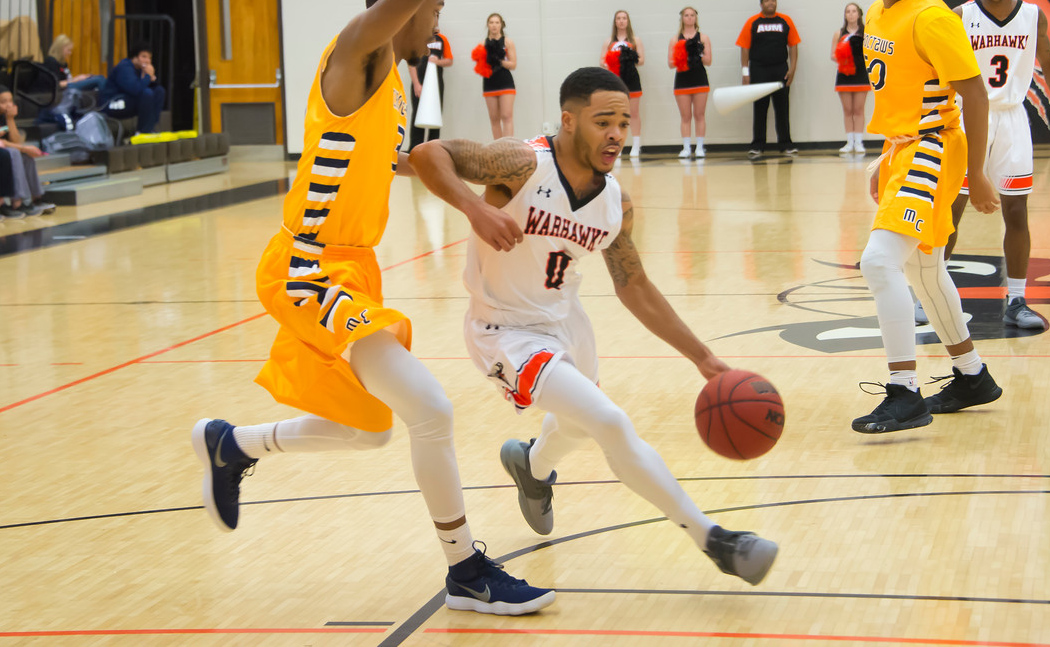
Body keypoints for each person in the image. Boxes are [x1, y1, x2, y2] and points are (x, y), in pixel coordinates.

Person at [190, 0, 554, 616]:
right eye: (432, 10)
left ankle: (234, 444)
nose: (436, 25)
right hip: (309, 267)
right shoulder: (357, 51)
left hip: (352, 268)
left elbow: (405, 164)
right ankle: (465, 569)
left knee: (370, 429)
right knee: (430, 409)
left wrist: (489, 178)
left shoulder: (392, 91)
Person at [409, 67, 780, 587]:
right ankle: (715, 540)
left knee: (581, 424)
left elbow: (634, 285)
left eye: (624, 123)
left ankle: (532, 468)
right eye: (603, 121)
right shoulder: (521, 162)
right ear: (568, 121)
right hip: (504, 330)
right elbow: (429, 155)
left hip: (566, 323)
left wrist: (702, 357)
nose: (616, 134)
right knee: (609, 422)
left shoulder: (614, 204)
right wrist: (475, 209)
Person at [852, 0, 1003, 434]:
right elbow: (902, 94)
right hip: (905, 146)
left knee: (879, 261)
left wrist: (977, 173)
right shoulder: (878, 14)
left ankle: (904, 391)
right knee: (924, 270)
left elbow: (974, 92)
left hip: (934, 147)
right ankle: (972, 376)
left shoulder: (932, 17)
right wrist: (886, 156)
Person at [943, 0, 1050, 329]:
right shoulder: (962, 15)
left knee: (1016, 211)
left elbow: (1049, 62)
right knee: (950, 209)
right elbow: (940, 71)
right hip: (965, 116)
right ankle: (932, 294)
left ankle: (1016, 299)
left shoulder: (1033, 16)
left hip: (1012, 118)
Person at [737, 0, 800, 158]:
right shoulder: (753, 22)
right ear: (761, 4)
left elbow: (793, 45)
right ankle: (757, 146)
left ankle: (786, 145)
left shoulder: (786, 20)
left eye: (773, 0)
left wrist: (792, 69)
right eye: (767, 1)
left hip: (780, 70)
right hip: (758, 70)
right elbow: (744, 47)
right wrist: (745, 72)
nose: (770, 3)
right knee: (760, 108)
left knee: (782, 108)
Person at [0, 86, 55, 218]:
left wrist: (10, 119)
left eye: (10, 101)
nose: (8, 105)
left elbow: (15, 140)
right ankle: (18, 202)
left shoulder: (4, 118)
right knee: (14, 153)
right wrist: (24, 148)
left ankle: (36, 198)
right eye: (3, 101)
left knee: (25, 157)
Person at [600, 10, 644, 157]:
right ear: (615, 22)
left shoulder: (634, 40)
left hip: (631, 79)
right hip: (615, 80)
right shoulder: (609, 41)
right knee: (615, 114)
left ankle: (636, 146)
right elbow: (602, 61)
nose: (621, 21)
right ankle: (616, 146)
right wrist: (613, 61)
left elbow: (641, 60)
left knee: (634, 113)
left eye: (624, 18)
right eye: (618, 18)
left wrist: (628, 58)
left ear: (628, 21)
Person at [669, 6, 712, 159]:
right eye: (686, 15)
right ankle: (686, 148)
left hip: (699, 79)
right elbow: (670, 63)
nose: (689, 18)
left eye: (692, 15)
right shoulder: (675, 39)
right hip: (682, 80)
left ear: (696, 18)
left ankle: (700, 147)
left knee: (699, 114)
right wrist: (683, 54)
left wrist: (697, 52)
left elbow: (709, 61)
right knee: (685, 116)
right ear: (682, 18)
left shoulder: (703, 37)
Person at [102, 43, 166, 133]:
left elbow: (143, 87)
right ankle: (142, 132)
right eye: (144, 56)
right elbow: (135, 89)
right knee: (147, 94)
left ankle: (150, 128)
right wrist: (147, 76)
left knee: (159, 91)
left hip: (127, 100)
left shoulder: (140, 69)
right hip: (112, 103)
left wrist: (150, 79)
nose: (147, 61)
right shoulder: (124, 68)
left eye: (149, 58)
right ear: (134, 57)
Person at [407, 29, 453, 151]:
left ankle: (433, 148)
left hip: (436, 84)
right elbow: (411, 63)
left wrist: (438, 61)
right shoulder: (418, 37)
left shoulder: (442, 39)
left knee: (436, 114)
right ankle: (415, 148)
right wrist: (416, 84)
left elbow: (449, 60)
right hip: (420, 83)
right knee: (417, 113)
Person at [832, 3, 868, 154]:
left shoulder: (866, 32)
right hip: (844, 75)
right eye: (848, 11)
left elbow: (870, 54)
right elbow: (833, 55)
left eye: (854, 11)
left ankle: (859, 143)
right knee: (848, 110)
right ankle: (849, 142)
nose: (851, 14)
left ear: (859, 14)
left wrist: (858, 57)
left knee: (859, 109)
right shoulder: (839, 33)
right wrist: (845, 55)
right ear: (845, 15)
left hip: (861, 74)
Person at [480, 13, 516, 139]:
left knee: (506, 116)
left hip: (505, 82)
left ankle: (508, 147)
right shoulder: (483, 43)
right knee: (494, 118)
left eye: (497, 22)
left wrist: (500, 61)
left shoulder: (507, 42)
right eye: (491, 22)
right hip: (489, 83)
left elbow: (513, 64)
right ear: (488, 25)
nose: (494, 25)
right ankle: (498, 148)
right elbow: (480, 66)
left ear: (501, 25)